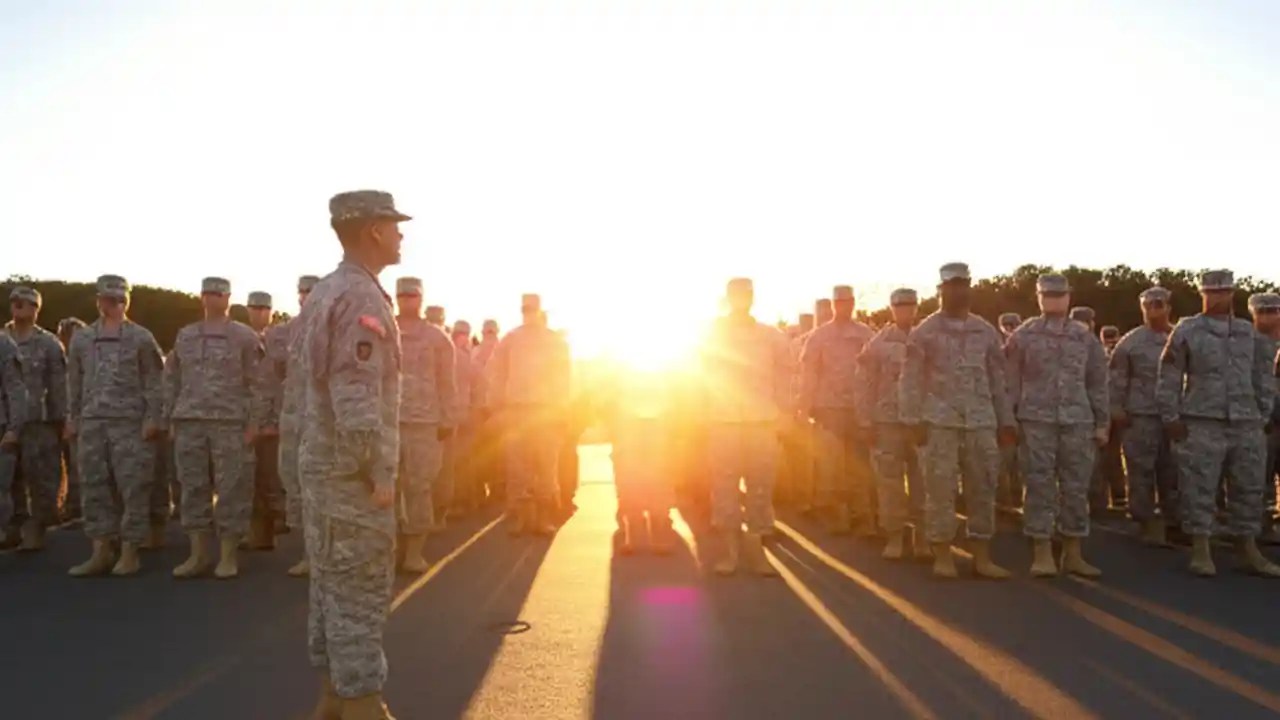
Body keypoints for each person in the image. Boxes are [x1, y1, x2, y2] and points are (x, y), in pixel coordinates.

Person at [297, 190, 409, 718]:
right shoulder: (361, 298)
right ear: (373, 232)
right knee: (360, 595)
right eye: (394, 224)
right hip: (350, 476)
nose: (401, 234)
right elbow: (356, 395)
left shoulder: (324, 291)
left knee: (329, 591)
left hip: (321, 470)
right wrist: (376, 472)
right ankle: (364, 705)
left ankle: (333, 702)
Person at [1157, 270, 1280, 578]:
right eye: (1211, 292)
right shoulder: (1188, 329)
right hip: (1202, 421)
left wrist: (1262, 413)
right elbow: (1169, 375)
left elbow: (1263, 376)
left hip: (1246, 422)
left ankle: (1248, 547)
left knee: (1249, 487)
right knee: (1199, 486)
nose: (1218, 297)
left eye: (1223, 292)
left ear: (1232, 293)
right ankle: (1201, 547)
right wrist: (1171, 416)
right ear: (1203, 294)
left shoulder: (1247, 332)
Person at [899, 262, 1014, 580]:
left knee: (983, 488)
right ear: (940, 290)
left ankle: (981, 555)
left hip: (980, 422)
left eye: (963, 284)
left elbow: (998, 380)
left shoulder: (985, 330)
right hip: (939, 422)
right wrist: (913, 420)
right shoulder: (925, 332)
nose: (958, 290)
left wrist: (1006, 422)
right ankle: (942, 553)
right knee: (940, 489)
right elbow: (910, 381)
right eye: (951, 285)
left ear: (969, 287)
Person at [1005, 274, 1108, 577]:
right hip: (1036, 422)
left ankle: (1073, 553)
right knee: (1038, 486)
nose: (1054, 300)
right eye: (1047, 295)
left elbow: (1097, 382)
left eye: (1059, 295)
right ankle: (1041, 552)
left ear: (1068, 298)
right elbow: (1009, 381)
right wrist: (1009, 420)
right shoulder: (1023, 336)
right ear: (1038, 298)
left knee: (1076, 487)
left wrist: (1102, 423)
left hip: (1078, 422)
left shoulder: (1084, 337)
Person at [164, 277, 266, 580]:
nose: (213, 298)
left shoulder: (244, 337)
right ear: (201, 297)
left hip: (230, 423)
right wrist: (171, 418)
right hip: (190, 421)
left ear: (229, 298)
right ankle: (198, 555)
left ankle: (228, 555)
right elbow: (172, 379)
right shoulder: (186, 335)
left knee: (233, 488)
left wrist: (255, 423)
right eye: (209, 293)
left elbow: (258, 384)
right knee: (193, 488)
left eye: (219, 293)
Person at [65, 275, 164, 577]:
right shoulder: (82, 339)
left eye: (119, 299)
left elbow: (155, 382)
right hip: (93, 423)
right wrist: (72, 417)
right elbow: (74, 381)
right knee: (94, 485)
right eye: (108, 299)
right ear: (98, 300)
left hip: (130, 424)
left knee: (132, 486)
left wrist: (153, 418)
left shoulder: (141, 337)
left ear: (127, 300)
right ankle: (101, 550)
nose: (112, 304)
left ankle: (130, 551)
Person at [700, 278, 790, 577]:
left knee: (760, 487)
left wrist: (785, 413)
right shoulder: (712, 333)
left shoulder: (770, 336)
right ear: (728, 297)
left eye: (747, 294)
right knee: (724, 487)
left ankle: (757, 552)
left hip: (761, 421)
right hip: (722, 420)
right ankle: (730, 553)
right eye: (736, 294)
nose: (742, 299)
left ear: (752, 297)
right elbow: (695, 375)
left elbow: (786, 376)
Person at [487, 294, 572, 536]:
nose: (529, 313)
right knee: (517, 468)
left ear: (540, 310)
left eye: (532, 309)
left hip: (546, 412)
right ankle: (522, 519)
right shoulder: (510, 339)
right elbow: (497, 374)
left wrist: (563, 411)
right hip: (517, 411)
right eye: (525, 309)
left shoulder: (554, 341)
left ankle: (543, 519)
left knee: (546, 467)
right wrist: (496, 407)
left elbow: (564, 378)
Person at [799, 285, 876, 536]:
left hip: (858, 409)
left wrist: (873, 408)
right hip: (828, 409)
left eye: (847, 301)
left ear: (853, 303)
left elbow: (875, 373)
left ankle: (863, 517)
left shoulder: (866, 334)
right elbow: (808, 373)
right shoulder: (819, 336)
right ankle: (836, 516)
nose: (843, 306)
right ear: (833, 304)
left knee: (859, 466)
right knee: (830, 466)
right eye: (839, 302)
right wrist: (806, 406)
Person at [856, 288, 926, 560]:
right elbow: (865, 382)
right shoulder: (878, 343)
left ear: (916, 307)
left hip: (922, 422)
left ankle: (923, 537)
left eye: (909, 305)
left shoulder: (926, 338)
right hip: (887, 421)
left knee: (925, 483)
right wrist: (865, 420)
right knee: (890, 483)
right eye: (899, 306)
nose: (905, 311)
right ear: (892, 309)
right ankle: (895, 536)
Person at [394, 276, 455, 571]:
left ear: (421, 298)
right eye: (403, 296)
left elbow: (447, 383)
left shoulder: (437, 338)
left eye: (413, 296)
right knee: (384, 489)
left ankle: (414, 552)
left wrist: (447, 419)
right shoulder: (381, 331)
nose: (408, 301)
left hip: (423, 423)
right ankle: (389, 551)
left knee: (418, 487)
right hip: (386, 423)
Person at [1111, 287, 1178, 546]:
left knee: (1173, 471)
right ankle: (1144, 521)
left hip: (1173, 415)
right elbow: (1117, 378)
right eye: (1149, 305)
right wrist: (1117, 409)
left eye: (1159, 304)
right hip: (1140, 416)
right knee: (1141, 471)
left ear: (1169, 307)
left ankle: (1175, 521)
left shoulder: (1180, 337)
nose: (1154, 309)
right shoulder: (1130, 342)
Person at [5, 287, 65, 552]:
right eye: (14, 302)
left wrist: (61, 422)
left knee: (39, 477)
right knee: (9, 478)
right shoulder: (2, 339)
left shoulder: (49, 344)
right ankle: (12, 527)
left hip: (38, 422)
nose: (18, 306)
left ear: (35, 308)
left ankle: (36, 527)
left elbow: (59, 386)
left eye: (24, 303)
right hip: (5, 420)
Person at [271, 274, 320, 575]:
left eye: (312, 291)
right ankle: (308, 552)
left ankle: (323, 554)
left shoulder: (336, 327)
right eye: (302, 291)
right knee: (295, 486)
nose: (306, 296)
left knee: (321, 490)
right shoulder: (283, 332)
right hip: (293, 420)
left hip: (322, 423)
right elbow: (276, 372)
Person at [244, 290, 283, 549]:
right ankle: (257, 533)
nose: (259, 312)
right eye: (254, 308)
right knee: (249, 481)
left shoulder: (279, 340)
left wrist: (274, 422)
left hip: (271, 422)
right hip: (245, 419)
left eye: (264, 308)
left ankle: (273, 529)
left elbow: (285, 383)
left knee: (272, 480)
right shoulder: (239, 338)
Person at [1247, 293, 1280, 542]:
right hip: (1259, 421)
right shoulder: (1244, 342)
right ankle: (1261, 525)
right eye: (1263, 311)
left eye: (1273, 310)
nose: (1268, 315)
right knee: (1258, 477)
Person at [443, 320, 480, 513]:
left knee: (454, 463)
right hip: (464, 414)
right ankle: (468, 499)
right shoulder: (467, 356)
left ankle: (458, 502)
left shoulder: (447, 353)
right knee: (465, 461)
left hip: (452, 415)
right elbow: (478, 382)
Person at [56, 317, 87, 523]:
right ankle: (67, 506)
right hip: (55, 418)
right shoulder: (56, 358)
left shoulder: (88, 360)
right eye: (65, 333)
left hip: (81, 420)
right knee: (61, 466)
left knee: (79, 465)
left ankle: (78, 508)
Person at [996, 312, 1024, 510]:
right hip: (1005, 412)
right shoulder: (998, 353)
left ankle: (1017, 497)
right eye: (1006, 324)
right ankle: (1004, 501)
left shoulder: (1028, 350)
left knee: (1022, 462)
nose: (1010, 328)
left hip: (1026, 411)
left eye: (1013, 324)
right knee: (1004, 459)